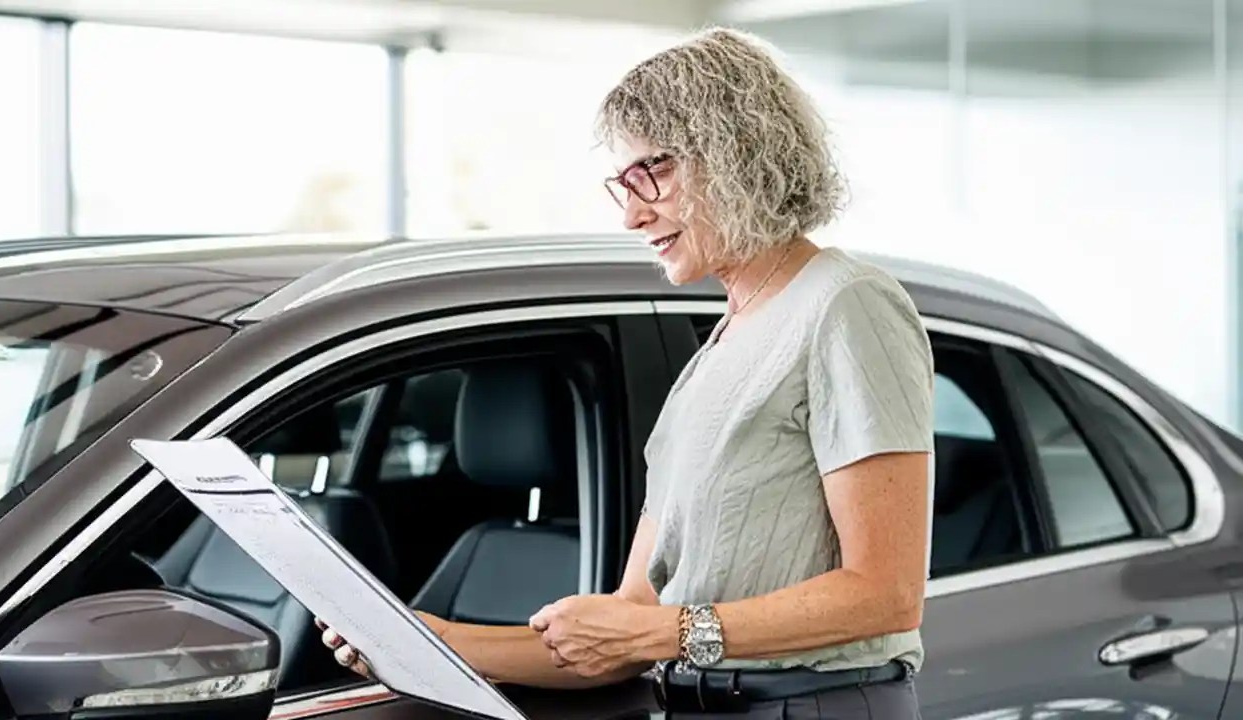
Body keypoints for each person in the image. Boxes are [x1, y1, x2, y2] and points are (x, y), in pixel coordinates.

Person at [320, 26, 934, 719]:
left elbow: (887, 591)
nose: (634, 214)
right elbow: (628, 623)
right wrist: (425, 640)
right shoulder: (717, 354)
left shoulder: (846, 303)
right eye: (623, 184)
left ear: (735, 151)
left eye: (653, 174)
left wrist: (666, 632)